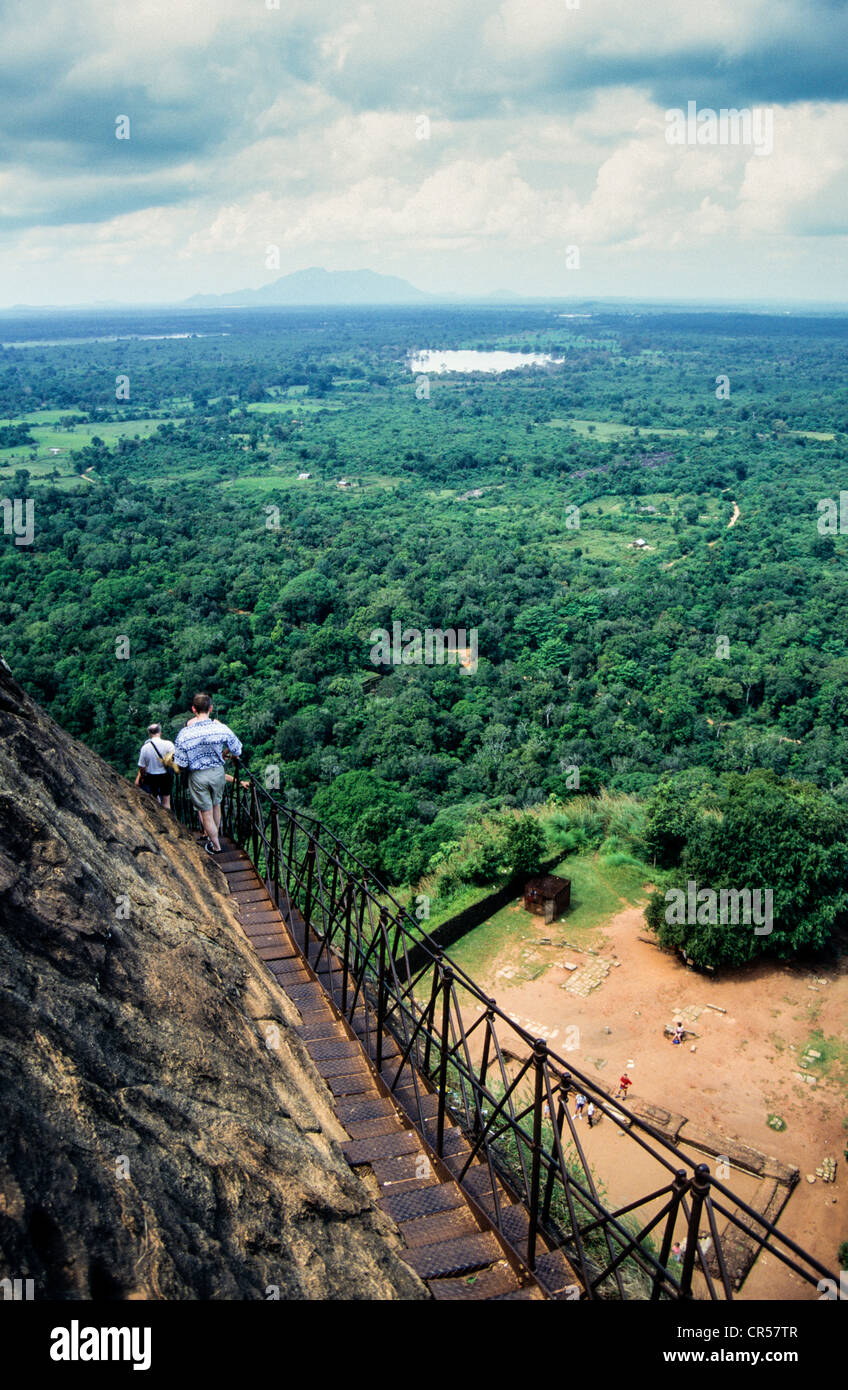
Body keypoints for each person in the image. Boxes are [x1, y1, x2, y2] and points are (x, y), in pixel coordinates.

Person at [172, 693, 243, 855]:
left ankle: (216, 845)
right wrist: (228, 754)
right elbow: (237, 748)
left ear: (193, 709)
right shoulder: (220, 728)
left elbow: (181, 763)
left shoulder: (185, 734)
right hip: (218, 772)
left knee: (206, 811)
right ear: (210, 708)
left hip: (198, 775)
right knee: (216, 804)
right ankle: (216, 836)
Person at [134, 723, 176, 809]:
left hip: (151, 776)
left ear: (149, 734)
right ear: (160, 732)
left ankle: (158, 818)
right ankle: (168, 819)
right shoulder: (169, 744)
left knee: (154, 799)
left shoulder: (145, 747)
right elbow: (174, 760)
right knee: (166, 800)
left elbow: (142, 766)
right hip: (166, 775)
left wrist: (142, 776)